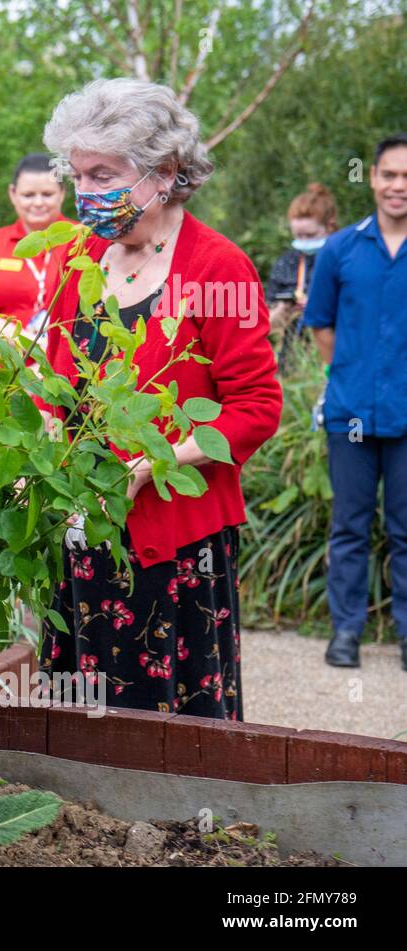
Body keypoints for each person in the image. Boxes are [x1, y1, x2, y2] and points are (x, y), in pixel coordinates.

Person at [34, 78, 281, 720]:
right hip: (83, 531)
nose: (86, 193)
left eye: (104, 174)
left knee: (168, 732)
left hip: (172, 541)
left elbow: (256, 407)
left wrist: (152, 464)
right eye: (79, 174)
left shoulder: (216, 268)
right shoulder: (75, 258)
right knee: (79, 722)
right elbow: (56, 389)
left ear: (165, 172)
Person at [303, 132, 407, 670]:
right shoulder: (341, 249)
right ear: (372, 177)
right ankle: (346, 632)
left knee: (405, 528)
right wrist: (351, 371)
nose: (398, 186)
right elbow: (320, 323)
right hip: (352, 417)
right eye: (390, 174)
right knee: (349, 526)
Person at [0, 153, 70, 359]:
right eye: (28, 195)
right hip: (4, 367)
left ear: (62, 193)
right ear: (13, 194)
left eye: (47, 194)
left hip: (66, 368)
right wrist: (36, 349)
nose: (38, 203)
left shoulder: (83, 239)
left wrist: (54, 360)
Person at [266, 183, 338, 373]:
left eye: (311, 235)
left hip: (334, 353)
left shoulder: (344, 258)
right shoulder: (288, 262)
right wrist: (280, 312)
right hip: (293, 360)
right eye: (298, 235)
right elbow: (267, 323)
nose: (304, 242)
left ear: (330, 226)